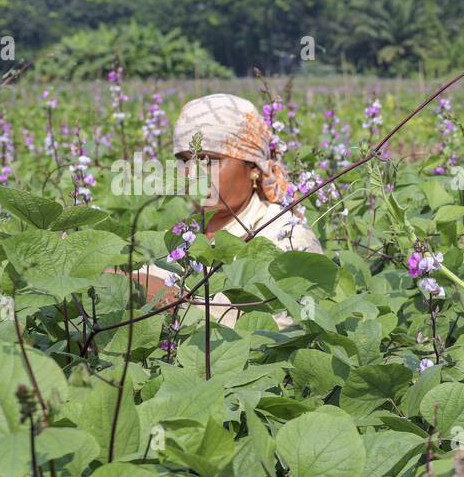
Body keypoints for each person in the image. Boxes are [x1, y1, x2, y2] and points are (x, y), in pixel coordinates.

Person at [133, 93, 324, 328]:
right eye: (185, 160)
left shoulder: (288, 238)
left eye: (209, 159)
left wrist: (173, 302)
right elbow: (144, 280)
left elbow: (287, 330)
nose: (193, 174)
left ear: (254, 168)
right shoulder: (186, 233)